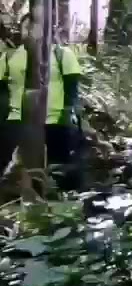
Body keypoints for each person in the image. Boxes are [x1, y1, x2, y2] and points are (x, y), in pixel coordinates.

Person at [0, 41, 84, 187]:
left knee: (58, 169)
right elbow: (1, 90)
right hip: (16, 121)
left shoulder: (62, 54)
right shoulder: (9, 56)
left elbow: (72, 88)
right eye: (27, 25)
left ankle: (59, 199)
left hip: (55, 121)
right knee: (15, 168)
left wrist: (73, 115)